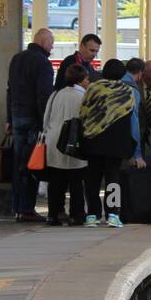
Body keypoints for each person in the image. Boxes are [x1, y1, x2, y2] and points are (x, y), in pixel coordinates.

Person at [78, 59, 144, 228]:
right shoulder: (127, 91)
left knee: (92, 179)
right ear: (122, 74)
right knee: (113, 179)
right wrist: (135, 147)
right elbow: (132, 120)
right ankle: (112, 214)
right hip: (116, 142)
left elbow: (83, 112)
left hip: (94, 140)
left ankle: (92, 215)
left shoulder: (93, 88)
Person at [5, 28, 55, 222]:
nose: (52, 47)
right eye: (51, 43)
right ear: (43, 42)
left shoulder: (16, 59)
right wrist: (46, 122)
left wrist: (9, 118)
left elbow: (10, 90)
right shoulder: (43, 63)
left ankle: (17, 207)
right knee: (33, 163)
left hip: (17, 116)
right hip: (34, 119)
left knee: (19, 164)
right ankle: (27, 209)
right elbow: (43, 95)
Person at [42, 64, 90, 226]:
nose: (88, 81)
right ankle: (77, 214)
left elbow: (45, 119)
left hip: (54, 141)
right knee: (76, 181)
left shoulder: (55, 94)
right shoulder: (84, 96)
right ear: (81, 80)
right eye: (87, 78)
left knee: (56, 181)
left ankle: (54, 214)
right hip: (74, 143)